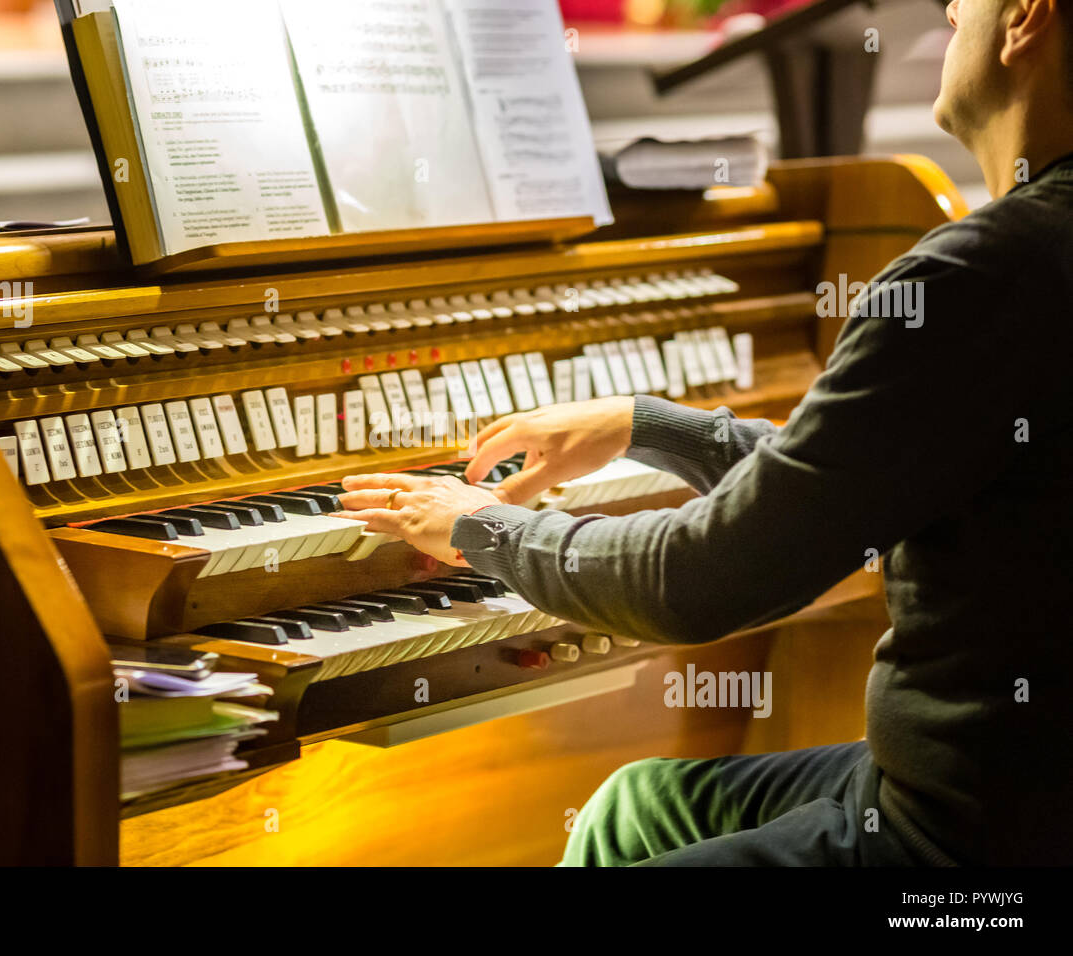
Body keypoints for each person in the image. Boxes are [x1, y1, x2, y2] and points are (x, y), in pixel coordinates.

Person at [331, 0, 1073, 865]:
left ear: (1027, 17)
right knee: (634, 809)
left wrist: (484, 526)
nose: (950, 6)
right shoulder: (1022, 263)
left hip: (966, 844)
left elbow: (703, 579)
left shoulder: (979, 279)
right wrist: (646, 424)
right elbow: (842, 490)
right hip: (989, 786)